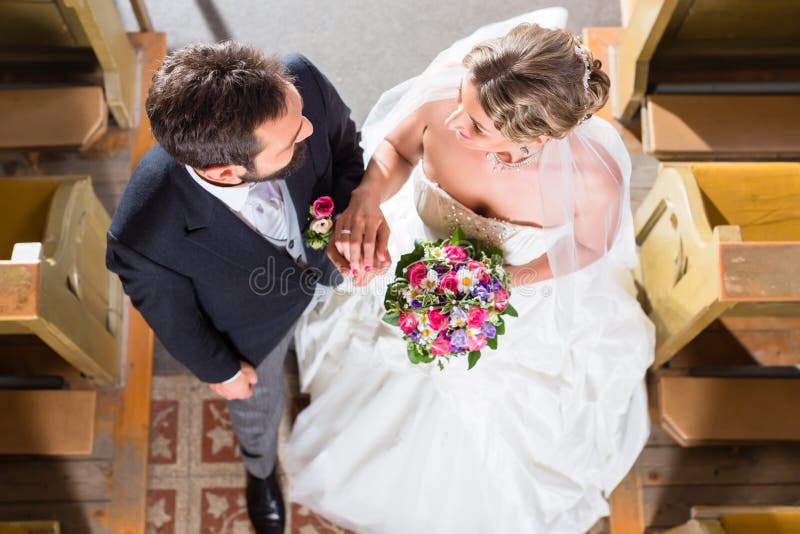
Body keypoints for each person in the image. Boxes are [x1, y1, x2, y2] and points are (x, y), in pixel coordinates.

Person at [285, 8, 655, 533]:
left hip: (516, 297)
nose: (453, 123)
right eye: (462, 101)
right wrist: (367, 196)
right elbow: (396, 145)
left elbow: (591, 245)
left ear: (534, 142)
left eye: (476, 126)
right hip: (417, 257)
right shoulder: (445, 104)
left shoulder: (593, 183)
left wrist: (509, 283)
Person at [105, 41, 367, 533]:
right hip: (252, 331)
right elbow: (169, 312)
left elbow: (344, 145)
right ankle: (262, 470)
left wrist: (351, 216)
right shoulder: (145, 233)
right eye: (291, 141)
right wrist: (221, 369)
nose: (307, 128)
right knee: (256, 409)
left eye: (301, 116)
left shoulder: (299, 82)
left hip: (328, 264)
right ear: (225, 172)